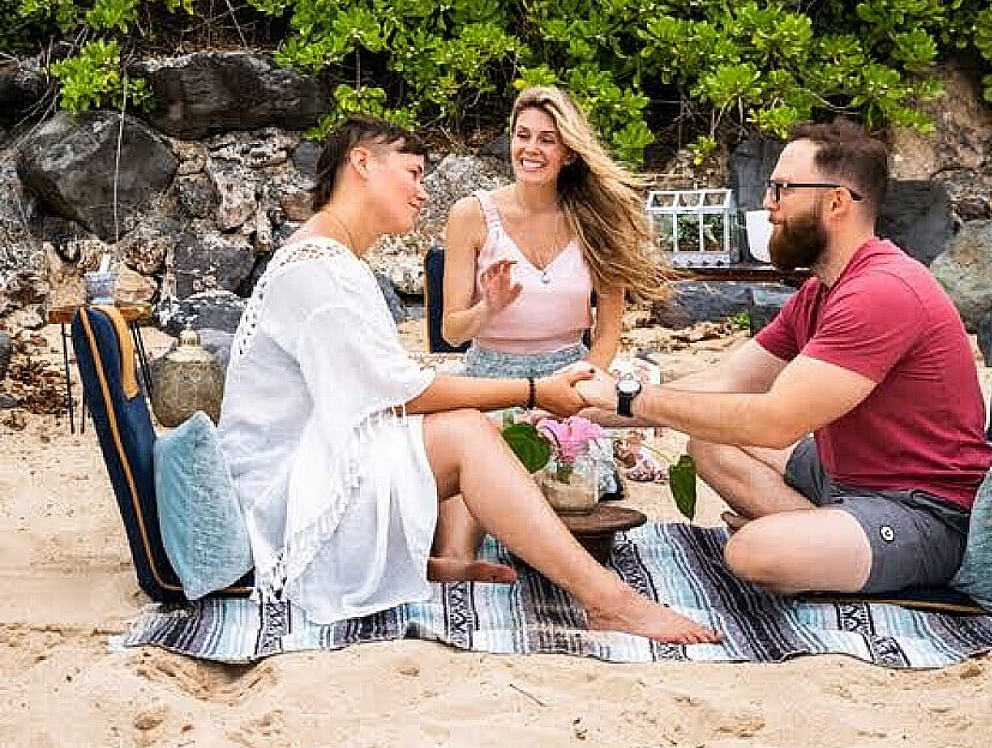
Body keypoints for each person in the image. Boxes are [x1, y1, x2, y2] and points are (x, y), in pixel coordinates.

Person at [218, 116, 717, 644]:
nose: (421, 192)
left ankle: (446, 560)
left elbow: (387, 386)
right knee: (466, 431)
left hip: (310, 461)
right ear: (362, 163)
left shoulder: (330, 258)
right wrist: (533, 392)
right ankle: (608, 601)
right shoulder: (316, 269)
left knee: (467, 425)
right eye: (413, 173)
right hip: (283, 497)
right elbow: (402, 394)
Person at [575, 119, 992, 596]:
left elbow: (775, 423)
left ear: (836, 202)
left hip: (922, 510)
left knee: (753, 553)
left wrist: (632, 400)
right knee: (710, 444)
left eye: (781, 189)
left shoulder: (881, 292)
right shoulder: (822, 290)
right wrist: (597, 409)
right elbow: (729, 380)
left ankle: (818, 546)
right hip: (846, 477)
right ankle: (824, 540)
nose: (768, 204)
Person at [441, 85, 671, 379]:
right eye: (522, 135)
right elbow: (452, 332)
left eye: (547, 140)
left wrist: (582, 379)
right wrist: (489, 307)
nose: (531, 148)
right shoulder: (470, 214)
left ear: (569, 154)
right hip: (489, 381)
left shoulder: (598, 218)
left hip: (573, 375)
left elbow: (608, 332)